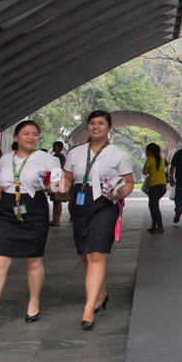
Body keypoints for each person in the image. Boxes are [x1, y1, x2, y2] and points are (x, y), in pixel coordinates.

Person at [0, 121, 64, 331]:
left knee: (32, 261)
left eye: (35, 134)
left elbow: (56, 186)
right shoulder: (6, 159)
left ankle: (33, 303)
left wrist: (52, 183)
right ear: (16, 137)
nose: (31, 137)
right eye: (26, 133)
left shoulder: (47, 159)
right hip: (7, 209)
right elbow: (0, 186)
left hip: (33, 208)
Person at [62, 110, 134, 331]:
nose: (95, 127)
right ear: (87, 127)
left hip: (104, 205)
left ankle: (88, 308)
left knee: (96, 254)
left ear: (108, 127)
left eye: (100, 123)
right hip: (80, 204)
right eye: (92, 123)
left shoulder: (119, 154)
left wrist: (119, 194)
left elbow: (128, 182)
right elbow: (67, 176)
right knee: (85, 253)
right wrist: (59, 185)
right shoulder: (75, 153)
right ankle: (100, 294)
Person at [142, 142, 168, 234]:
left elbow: (144, 172)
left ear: (150, 151)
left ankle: (159, 226)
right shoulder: (161, 159)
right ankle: (154, 225)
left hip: (154, 186)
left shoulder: (150, 159)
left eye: (147, 151)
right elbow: (167, 164)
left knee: (154, 206)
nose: (146, 152)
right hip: (163, 185)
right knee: (153, 205)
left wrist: (150, 169)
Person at [49, 140, 67, 226]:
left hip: (58, 179)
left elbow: (62, 167)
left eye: (56, 146)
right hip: (54, 178)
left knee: (57, 200)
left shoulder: (61, 157)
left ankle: (56, 220)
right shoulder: (55, 156)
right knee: (55, 200)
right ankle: (55, 219)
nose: (54, 148)